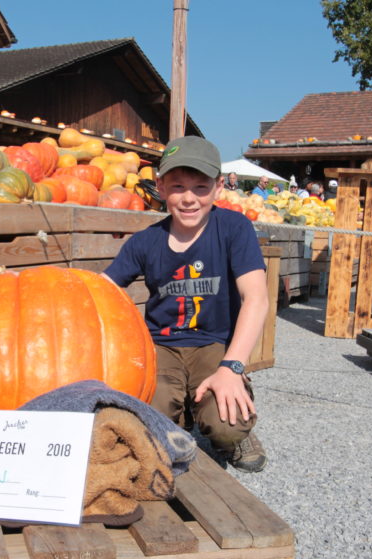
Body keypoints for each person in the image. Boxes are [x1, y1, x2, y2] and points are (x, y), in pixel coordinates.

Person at [103, 135, 269, 473]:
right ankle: (180, 417)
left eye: (200, 187)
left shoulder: (234, 228)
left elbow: (257, 298)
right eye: (177, 186)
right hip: (162, 344)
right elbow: (103, 289)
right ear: (161, 187)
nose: (189, 198)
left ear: (219, 187)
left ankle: (236, 428)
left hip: (214, 343)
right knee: (150, 421)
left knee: (227, 425)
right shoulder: (145, 241)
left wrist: (232, 368)